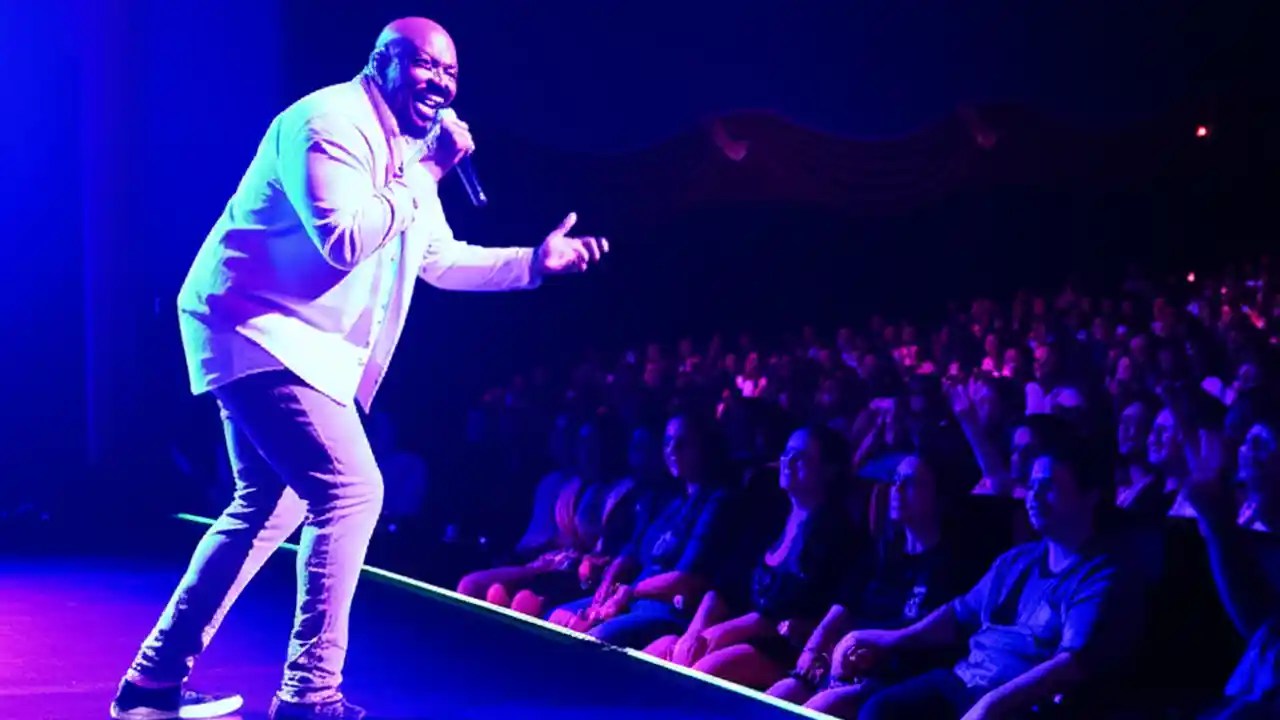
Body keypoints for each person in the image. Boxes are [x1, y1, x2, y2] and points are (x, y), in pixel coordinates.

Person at [109, 17, 607, 720]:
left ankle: (151, 682)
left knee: (266, 506)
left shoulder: (407, 151)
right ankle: (310, 697)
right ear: (382, 63)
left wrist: (532, 263)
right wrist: (429, 171)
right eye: (427, 66)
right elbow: (342, 240)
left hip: (288, 338)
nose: (441, 82)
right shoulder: (329, 121)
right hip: (255, 325)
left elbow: (435, 258)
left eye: (452, 73)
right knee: (352, 490)